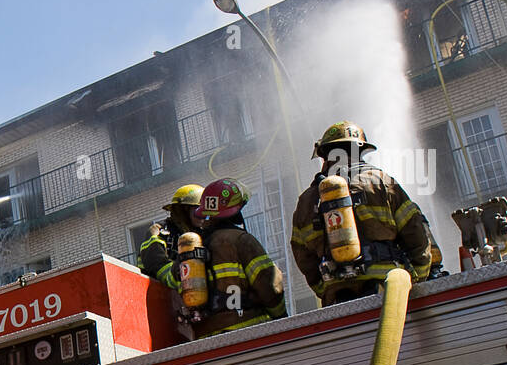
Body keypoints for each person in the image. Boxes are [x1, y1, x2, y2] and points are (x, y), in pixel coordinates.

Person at [291, 121, 434, 305]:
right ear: (360, 152)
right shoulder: (381, 182)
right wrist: (417, 277)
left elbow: (303, 257)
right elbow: (415, 233)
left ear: (325, 157)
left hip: (337, 298)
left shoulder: (306, 200)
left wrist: (326, 288)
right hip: (386, 290)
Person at [148, 178, 286, 339]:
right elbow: (270, 285)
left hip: (205, 337)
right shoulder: (241, 241)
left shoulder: (191, 249)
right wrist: (281, 318)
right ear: (235, 211)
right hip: (248, 331)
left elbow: (171, 279)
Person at [139, 183, 203, 289]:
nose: (203, 216)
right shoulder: (159, 231)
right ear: (184, 211)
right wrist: (181, 281)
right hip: (160, 294)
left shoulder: (199, 236)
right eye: (198, 211)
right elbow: (157, 265)